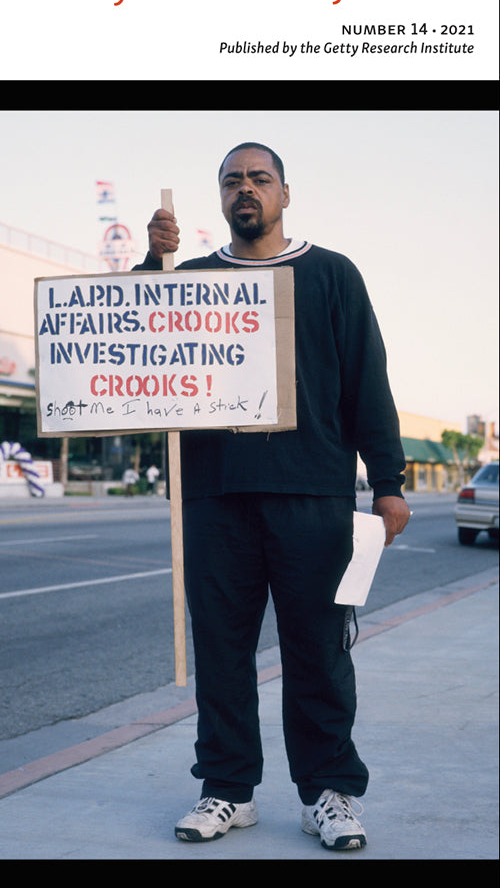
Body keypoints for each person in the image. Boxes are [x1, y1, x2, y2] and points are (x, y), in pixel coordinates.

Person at [134, 142, 410, 850]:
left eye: (259, 179)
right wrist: (150, 265)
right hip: (214, 495)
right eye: (232, 182)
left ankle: (330, 793)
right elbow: (137, 340)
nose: (245, 190)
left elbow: (366, 382)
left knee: (318, 651)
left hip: (312, 494)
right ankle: (227, 789)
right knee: (222, 653)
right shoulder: (189, 278)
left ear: (285, 193)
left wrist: (388, 483)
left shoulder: (331, 275)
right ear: (219, 199)